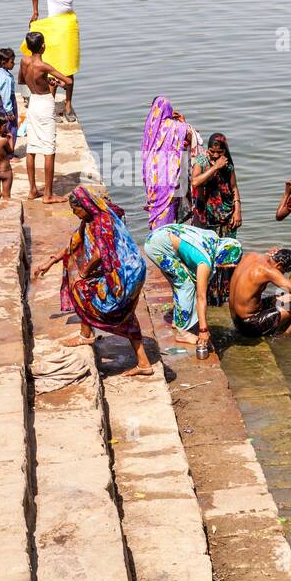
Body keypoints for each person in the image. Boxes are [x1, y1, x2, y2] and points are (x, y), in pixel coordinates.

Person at [34, 187, 155, 377]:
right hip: (128, 270)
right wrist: (50, 261)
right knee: (125, 314)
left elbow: (100, 252)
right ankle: (143, 362)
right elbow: (73, 244)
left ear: (84, 205)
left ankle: (86, 334)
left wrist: (85, 271)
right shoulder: (90, 218)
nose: (75, 214)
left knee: (81, 289)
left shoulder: (102, 222)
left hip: (127, 274)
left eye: (76, 210)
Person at [144, 222, 242, 354]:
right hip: (157, 246)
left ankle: (178, 320)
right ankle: (182, 333)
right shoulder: (205, 262)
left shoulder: (213, 240)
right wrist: (203, 330)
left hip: (160, 236)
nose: (222, 267)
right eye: (225, 264)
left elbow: (189, 248)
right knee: (186, 284)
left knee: (180, 279)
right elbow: (201, 297)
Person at [19, 31, 72, 203]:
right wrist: (57, 82)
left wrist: (44, 81)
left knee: (32, 147)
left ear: (28, 47)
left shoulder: (23, 61)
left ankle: (33, 189)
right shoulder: (44, 66)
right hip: (45, 104)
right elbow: (68, 81)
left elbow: (21, 80)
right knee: (49, 149)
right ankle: (48, 194)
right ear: (43, 46)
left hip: (33, 102)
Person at [189, 132, 241, 304]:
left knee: (228, 255)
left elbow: (233, 187)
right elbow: (195, 182)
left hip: (226, 214)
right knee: (209, 254)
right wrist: (215, 167)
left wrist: (237, 210)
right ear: (208, 150)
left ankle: (227, 295)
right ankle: (210, 295)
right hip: (207, 216)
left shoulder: (228, 165)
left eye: (220, 152)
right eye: (213, 152)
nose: (216, 155)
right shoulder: (202, 161)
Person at [28, 0, 82, 122]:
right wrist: (36, 12)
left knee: (69, 68)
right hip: (53, 28)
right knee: (52, 67)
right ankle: (51, 105)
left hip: (68, 29)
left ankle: (68, 105)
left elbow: (68, 7)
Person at [229, 246, 291, 338]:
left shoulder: (251, 256)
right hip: (248, 326)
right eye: (282, 272)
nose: (282, 275)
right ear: (279, 265)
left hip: (236, 319)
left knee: (284, 297)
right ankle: (284, 337)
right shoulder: (267, 270)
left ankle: (279, 326)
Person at [141, 96, 190, 231]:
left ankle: (156, 236)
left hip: (152, 178)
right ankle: (164, 240)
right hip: (168, 180)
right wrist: (183, 122)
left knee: (156, 210)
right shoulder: (175, 127)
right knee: (167, 210)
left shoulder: (150, 126)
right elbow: (194, 139)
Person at [0, 48, 19, 149]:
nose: (14, 64)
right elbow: (7, 96)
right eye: (12, 62)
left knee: (3, 126)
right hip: (8, 104)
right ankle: (9, 153)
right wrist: (9, 111)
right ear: (4, 62)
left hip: (2, 103)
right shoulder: (6, 78)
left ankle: (5, 151)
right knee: (11, 127)